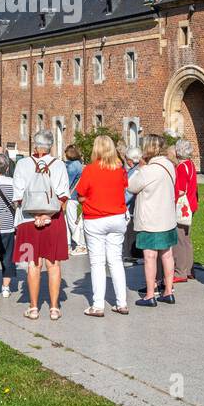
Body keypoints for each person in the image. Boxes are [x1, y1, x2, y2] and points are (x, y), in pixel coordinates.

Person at [11, 131, 72, 320]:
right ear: (51, 146)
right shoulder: (59, 165)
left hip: (28, 222)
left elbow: (18, 197)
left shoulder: (22, 164)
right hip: (53, 221)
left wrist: (35, 215)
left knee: (32, 263)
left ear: (35, 145)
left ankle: (33, 307)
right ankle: (54, 308)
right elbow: (63, 196)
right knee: (53, 264)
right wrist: (46, 214)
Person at [74, 134, 130, 316]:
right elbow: (122, 188)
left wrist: (88, 199)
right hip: (117, 217)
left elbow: (80, 193)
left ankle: (98, 305)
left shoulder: (90, 170)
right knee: (115, 261)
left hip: (95, 218)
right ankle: (121, 303)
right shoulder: (119, 169)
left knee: (97, 262)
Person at [126, 134, 178, 308]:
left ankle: (150, 294)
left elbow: (131, 186)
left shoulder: (148, 170)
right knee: (167, 254)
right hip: (168, 218)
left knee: (150, 256)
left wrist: (140, 169)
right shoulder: (169, 165)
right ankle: (168, 291)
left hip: (151, 219)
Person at [0, 153, 18, 299]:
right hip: (8, 225)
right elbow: (17, 203)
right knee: (7, 257)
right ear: (7, 168)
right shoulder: (13, 183)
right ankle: (5, 287)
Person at [171, 139, 199, 283]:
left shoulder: (181, 167)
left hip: (183, 207)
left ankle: (180, 271)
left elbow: (180, 190)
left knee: (180, 239)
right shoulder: (191, 164)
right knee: (187, 239)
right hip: (191, 205)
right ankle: (189, 269)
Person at [63, 144, 86, 256]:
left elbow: (68, 182)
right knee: (72, 221)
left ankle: (80, 244)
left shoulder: (72, 166)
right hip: (78, 196)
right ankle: (72, 244)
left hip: (72, 197)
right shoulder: (79, 164)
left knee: (72, 222)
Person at [122, 144, 142, 263]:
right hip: (134, 206)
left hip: (131, 208)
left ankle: (131, 254)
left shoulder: (135, 172)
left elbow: (128, 192)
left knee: (130, 233)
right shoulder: (138, 169)